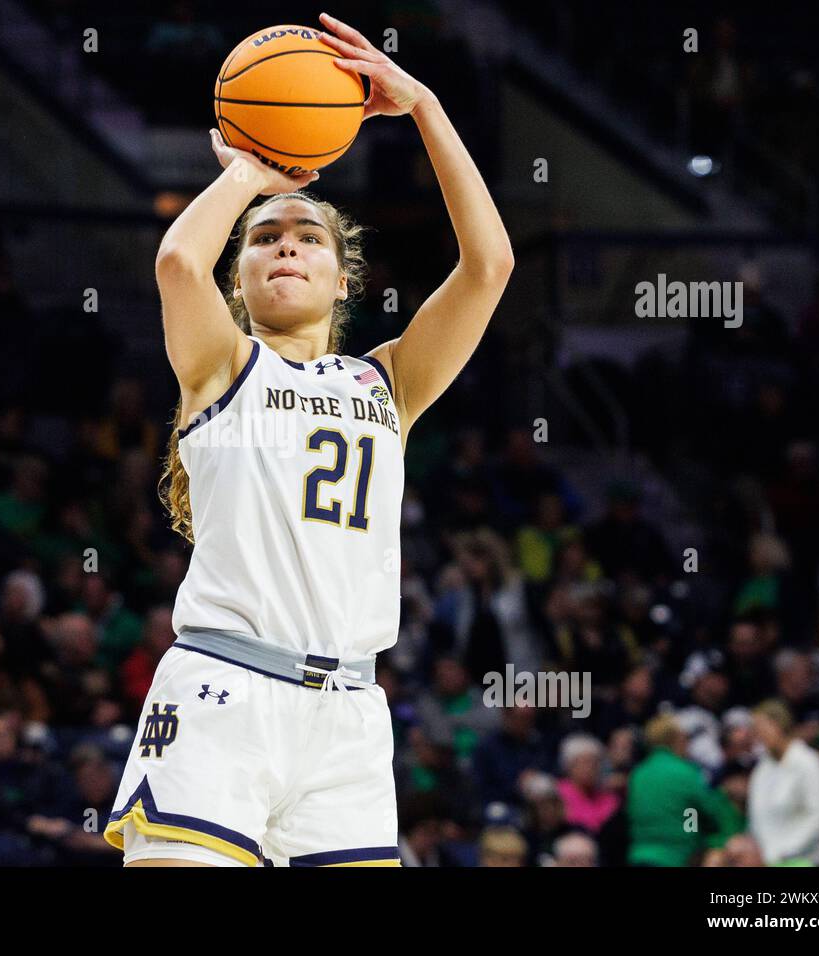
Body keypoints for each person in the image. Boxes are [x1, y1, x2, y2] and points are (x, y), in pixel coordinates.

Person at [105, 12, 513, 868]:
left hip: (351, 718)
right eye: (263, 238)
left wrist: (426, 107)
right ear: (243, 279)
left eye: (307, 237)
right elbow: (179, 264)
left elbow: (488, 266)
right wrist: (248, 175)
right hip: (225, 691)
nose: (285, 244)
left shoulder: (386, 381)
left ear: (341, 277)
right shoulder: (221, 364)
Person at [627, 713, 743, 866]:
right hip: (677, 858)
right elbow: (712, 812)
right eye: (685, 739)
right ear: (675, 739)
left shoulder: (638, 774)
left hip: (639, 857)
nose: (687, 744)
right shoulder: (686, 772)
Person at [747, 699, 819, 865]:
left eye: (761, 729)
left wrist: (786, 851)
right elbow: (756, 819)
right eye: (755, 731)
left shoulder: (809, 762)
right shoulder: (761, 769)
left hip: (804, 860)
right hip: (767, 861)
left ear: (779, 725)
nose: (758, 736)